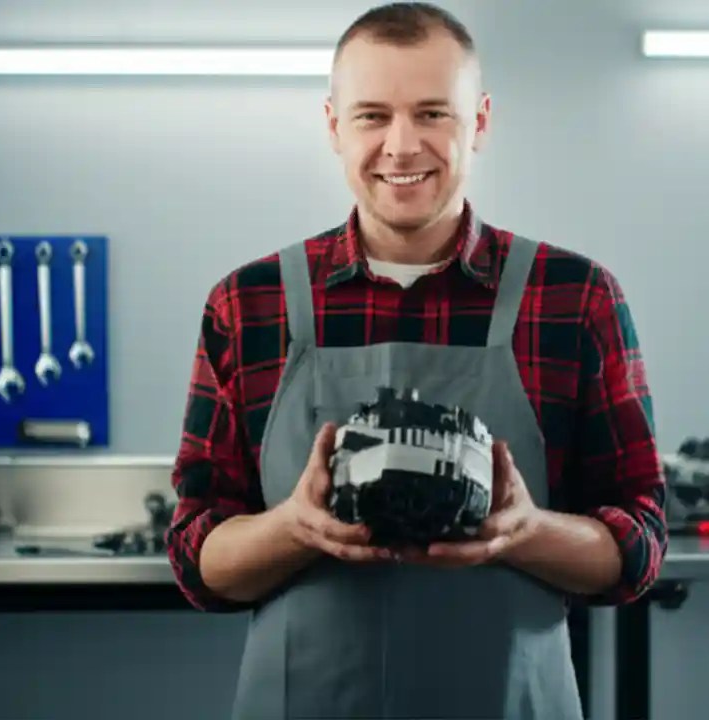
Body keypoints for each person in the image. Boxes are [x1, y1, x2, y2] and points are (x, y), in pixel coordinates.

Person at [165, 3, 668, 718]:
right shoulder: (248, 306)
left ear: (481, 122)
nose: (402, 146)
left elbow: (640, 543)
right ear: (333, 125)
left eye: (433, 113)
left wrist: (526, 530)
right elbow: (196, 556)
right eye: (373, 116)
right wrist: (293, 526)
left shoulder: (576, 297)